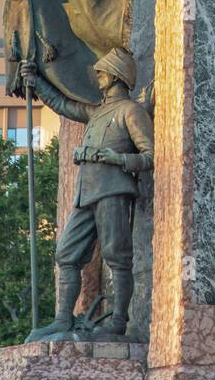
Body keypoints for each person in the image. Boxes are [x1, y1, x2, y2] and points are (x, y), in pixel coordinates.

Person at [21, 47, 154, 338]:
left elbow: (150, 156)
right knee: (66, 255)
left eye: (103, 71)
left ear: (117, 76)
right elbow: (61, 104)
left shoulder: (130, 111)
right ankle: (62, 320)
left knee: (117, 257)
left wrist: (112, 158)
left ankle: (119, 321)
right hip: (86, 195)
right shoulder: (96, 112)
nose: (98, 75)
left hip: (113, 191)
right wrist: (36, 81)